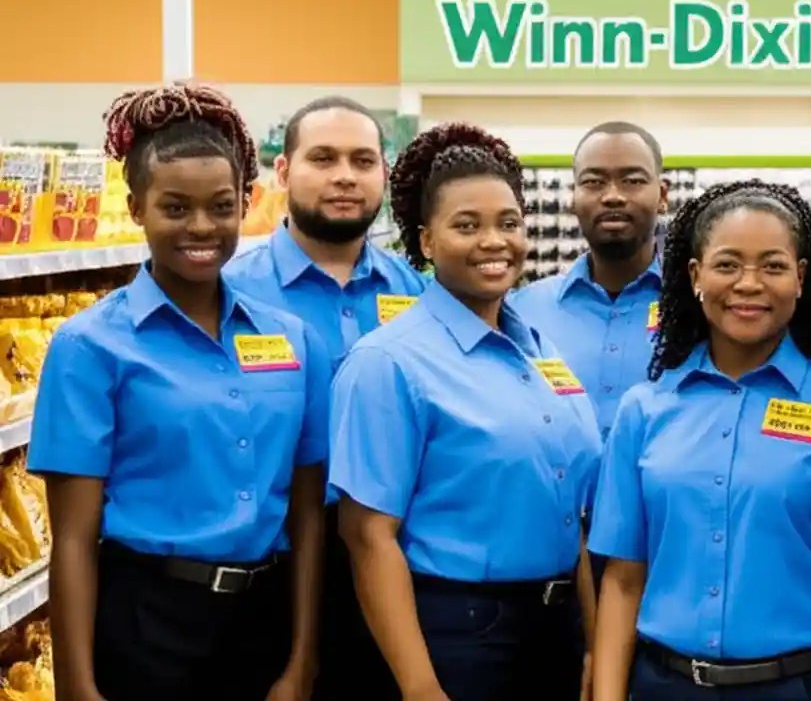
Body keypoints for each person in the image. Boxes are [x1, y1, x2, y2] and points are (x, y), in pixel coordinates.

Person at [28, 83, 330, 700]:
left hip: (264, 622)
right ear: (136, 208)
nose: (201, 227)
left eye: (220, 206)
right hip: (146, 623)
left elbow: (306, 515)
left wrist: (302, 661)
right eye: (175, 207)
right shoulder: (89, 347)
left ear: (245, 203)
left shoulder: (295, 340)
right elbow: (75, 541)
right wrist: (77, 688)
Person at [589, 178, 811, 700]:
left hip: (798, 687)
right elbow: (623, 580)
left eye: (772, 266)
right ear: (695, 276)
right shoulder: (644, 410)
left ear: (800, 278)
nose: (749, 283)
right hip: (665, 686)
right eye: (727, 265)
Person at [327, 122, 602, 701]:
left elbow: (567, 509)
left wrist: (592, 643)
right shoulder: (388, 362)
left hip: (555, 626)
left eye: (508, 223)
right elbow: (368, 536)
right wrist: (420, 686)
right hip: (461, 634)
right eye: (467, 225)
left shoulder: (540, 350)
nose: (494, 241)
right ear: (427, 241)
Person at [222, 95, 426, 699]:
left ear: (384, 174)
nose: (345, 176)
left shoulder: (421, 295)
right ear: (283, 172)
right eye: (323, 158)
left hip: (399, 566)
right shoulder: (228, 291)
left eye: (363, 161)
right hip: (272, 576)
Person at [510, 121, 668, 441]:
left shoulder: (701, 312)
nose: (613, 196)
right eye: (594, 182)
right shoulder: (520, 313)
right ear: (573, 195)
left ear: (662, 195)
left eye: (632, 181)